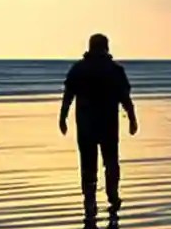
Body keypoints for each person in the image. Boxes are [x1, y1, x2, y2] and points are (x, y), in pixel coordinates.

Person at [59, 33, 138, 224]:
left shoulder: (78, 69)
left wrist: (62, 117)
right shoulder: (115, 70)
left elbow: (68, 96)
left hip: (85, 125)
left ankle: (90, 201)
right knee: (111, 162)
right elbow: (125, 98)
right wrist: (132, 119)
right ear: (106, 47)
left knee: (88, 164)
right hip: (108, 125)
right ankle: (112, 195)